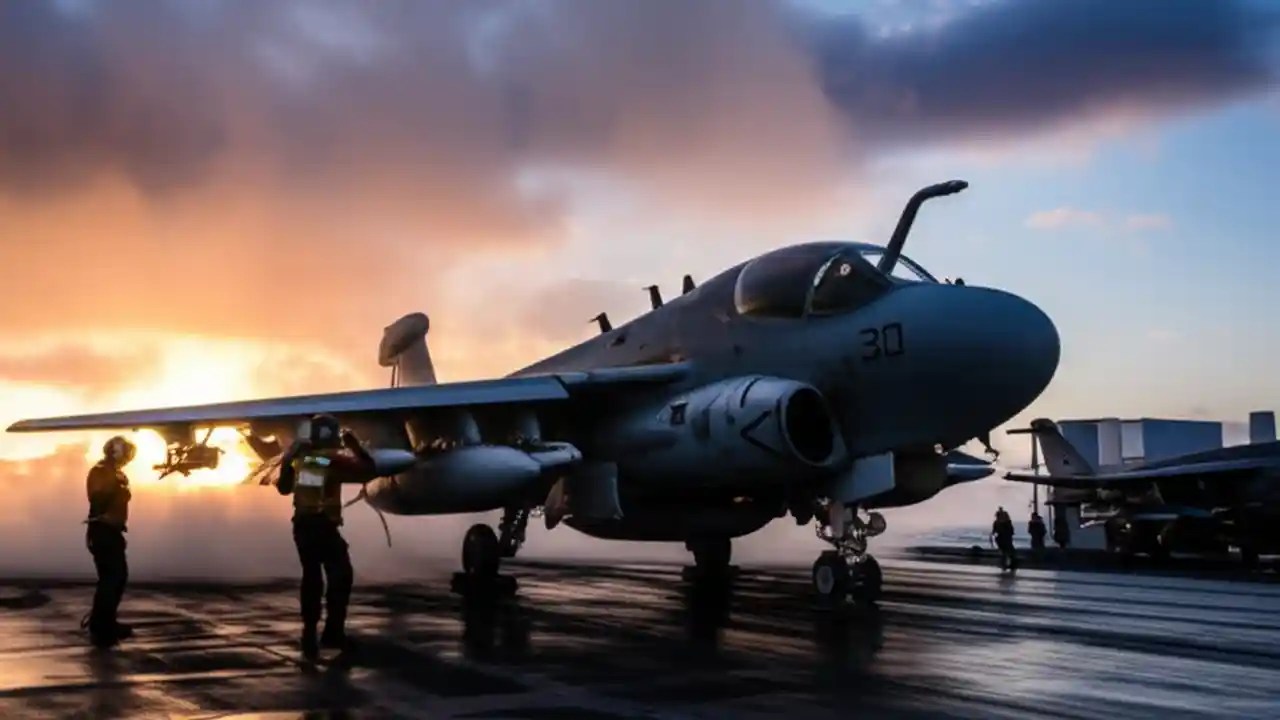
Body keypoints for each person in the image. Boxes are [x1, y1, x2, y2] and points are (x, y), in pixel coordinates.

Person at [277, 413, 375, 659]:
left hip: (302, 526)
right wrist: (355, 445)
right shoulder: (330, 460)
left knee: (312, 578)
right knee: (341, 576)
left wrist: (287, 457)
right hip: (322, 526)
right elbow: (368, 471)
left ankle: (309, 634)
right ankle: (333, 633)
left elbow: (283, 488)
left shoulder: (303, 459)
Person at [84, 436, 136, 648]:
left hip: (110, 530)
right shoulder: (102, 471)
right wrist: (97, 523)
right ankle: (102, 626)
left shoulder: (113, 472)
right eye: (126, 453)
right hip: (104, 531)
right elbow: (98, 499)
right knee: (112, 578)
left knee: (116, 578)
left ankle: (105, 622)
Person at [991, 506, 1017, 571]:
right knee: (1006, 552)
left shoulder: (1005, 522)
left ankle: (1008, 565)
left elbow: (994, 531)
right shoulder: (1000, 522)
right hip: (1002, 538)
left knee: (1007, 552)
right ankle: (1006, 565)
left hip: (1004, 538)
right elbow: (994, 531)